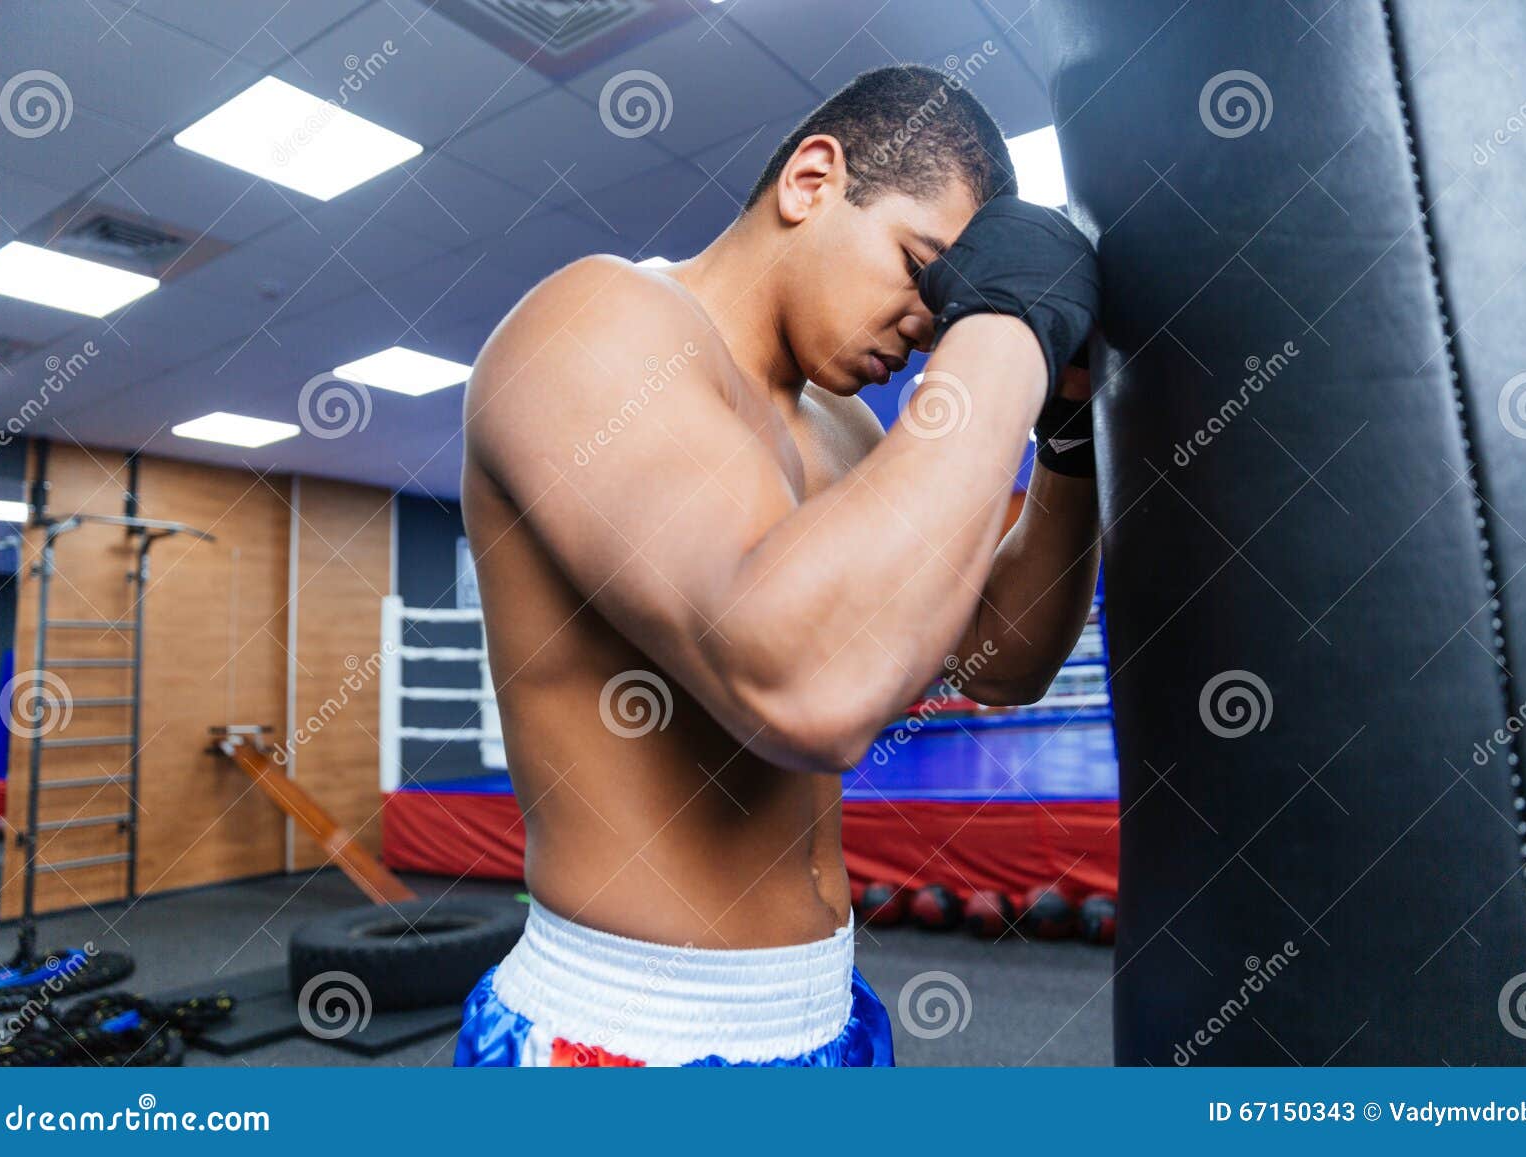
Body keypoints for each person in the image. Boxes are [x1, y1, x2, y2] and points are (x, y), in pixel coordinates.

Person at [455, 65, 1100, 1067]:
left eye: (950, 308)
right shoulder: (597, 322)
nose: (929, 325)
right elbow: (803, 684)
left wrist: (1063, 429)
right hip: (624, 1041)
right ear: (810, 180)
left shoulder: (840, 424)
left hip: (823, 1017)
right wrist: (1007, 330)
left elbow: (1001, 663)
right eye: (921, 270)